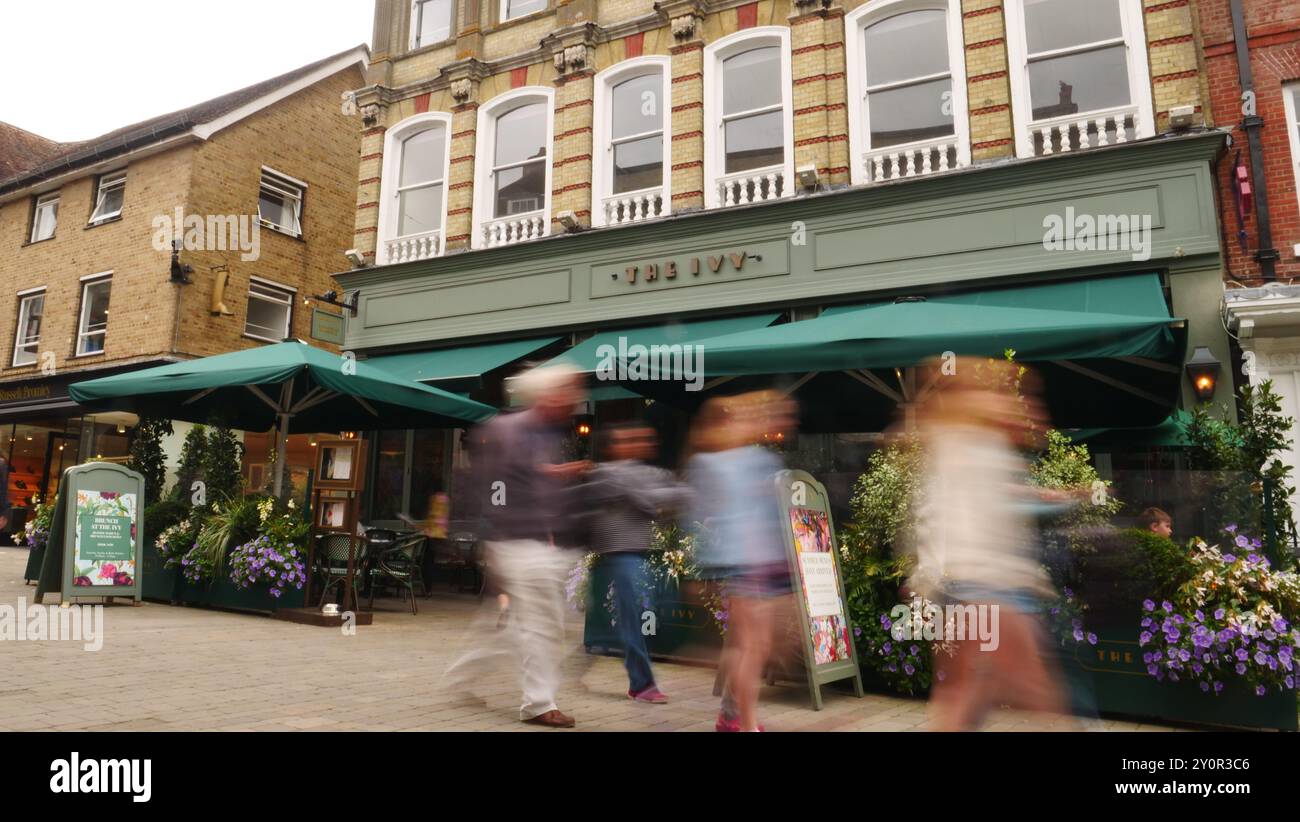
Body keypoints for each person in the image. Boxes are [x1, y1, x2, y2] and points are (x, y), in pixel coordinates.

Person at [908, 358, 1072, 731]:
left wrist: (1048, 496)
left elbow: (994, 499)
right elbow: (943, 515)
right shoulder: (964, 444)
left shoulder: (974, 445)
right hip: (985, 587)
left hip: (974, 586)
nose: (1023, 408)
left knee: (966, 695)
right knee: (1033, 688)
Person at [442, 363, 591, 728]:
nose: (575, 398)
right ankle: (538, 705)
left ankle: (461, 675)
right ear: (546, 394)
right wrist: (497, 539)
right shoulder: (510, 430)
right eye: (568, 390)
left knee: (518, 625)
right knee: (542, 626)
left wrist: (559, 475)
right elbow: (490, 486)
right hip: (519, 542)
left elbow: (529, 477)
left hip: (536, 541)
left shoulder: (542, 434)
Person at [688, 391, 795, 732]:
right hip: (744, 564)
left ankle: (731, 716)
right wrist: (703, 567)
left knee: (745, 646)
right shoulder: (715, 462)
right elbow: (703, 515)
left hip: (761, 563)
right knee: (754, 647)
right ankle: (744, 723)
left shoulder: (755, 458)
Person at [577, 423, 689, 703]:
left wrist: (646, 497)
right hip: (617, 555)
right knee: (631, 620)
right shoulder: (604, 474)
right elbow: (655, 498)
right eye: (631, 439)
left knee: (646, 614)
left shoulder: (647, 472)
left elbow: (680, 494)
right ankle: (642, 684)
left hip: (642, 552)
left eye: (643, 438)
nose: (641, 443)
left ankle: (627, 671)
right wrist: (651, 498)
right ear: (614, 446)